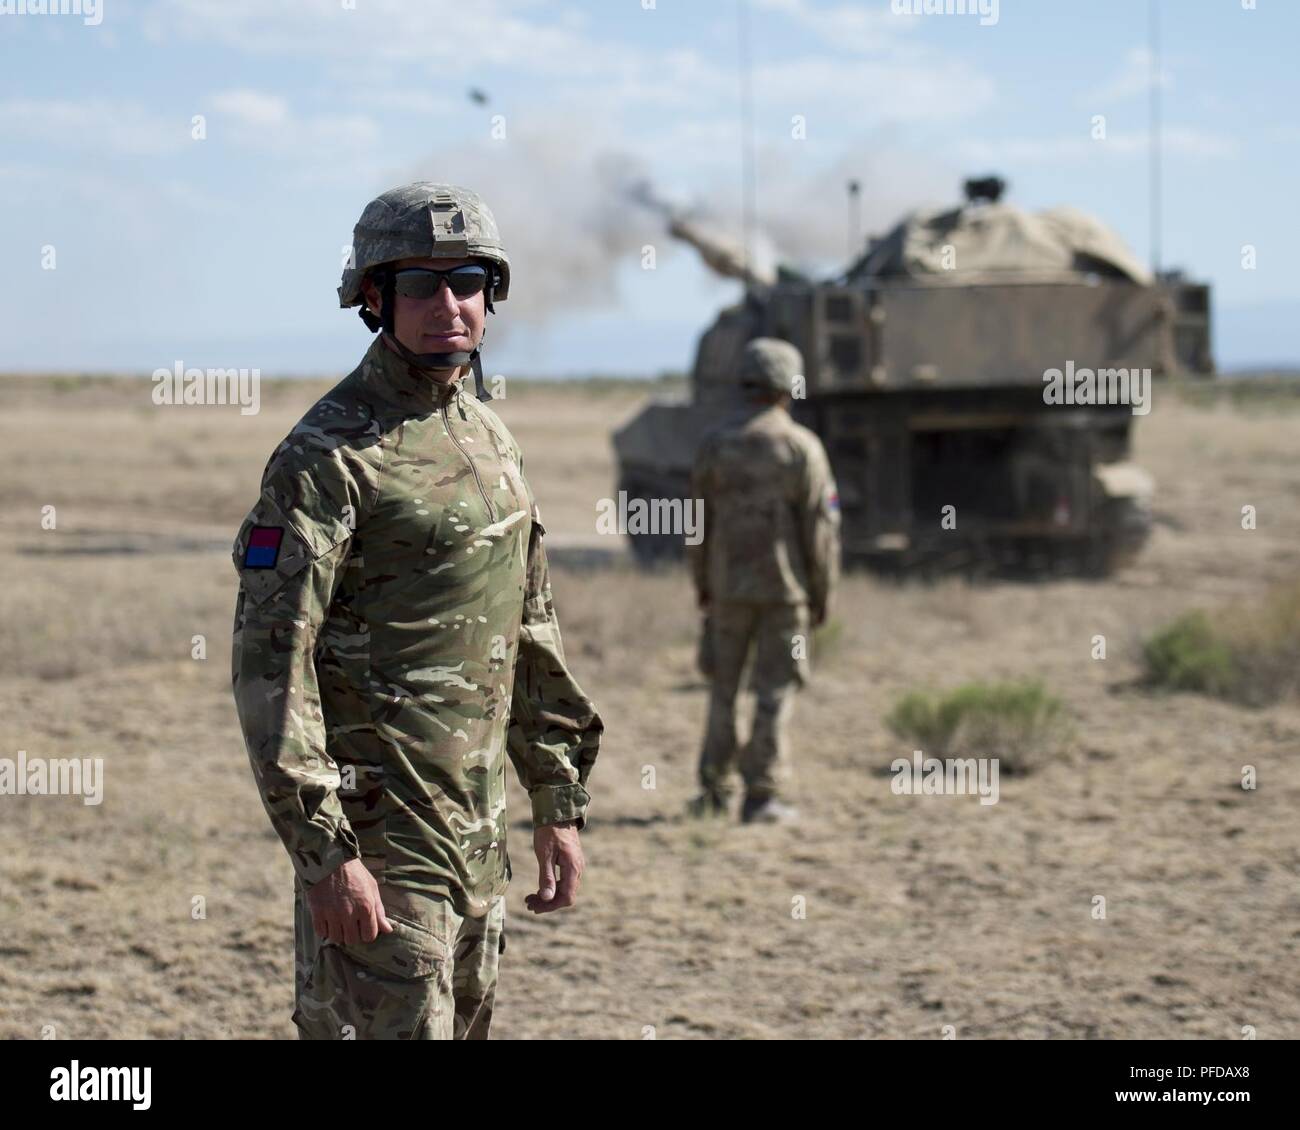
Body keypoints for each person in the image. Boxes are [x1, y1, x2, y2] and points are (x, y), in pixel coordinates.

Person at [231, 182, 601, 1039]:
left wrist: (556, 801)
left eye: (468, 281)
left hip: (477, 843)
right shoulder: (327, 458)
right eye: (420, 286)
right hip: (380, 849)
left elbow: (529, 631)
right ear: (373, 298)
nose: (449, 305)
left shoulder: (488, 437)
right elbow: (271, 669)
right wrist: (325, 858)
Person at [687, 337, 840, 825]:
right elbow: (820, 531)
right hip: (785, 593)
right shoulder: (801, 448)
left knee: (723, 690)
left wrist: (703, 583)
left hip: (727, 589)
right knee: (775, 692)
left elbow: (697, 523)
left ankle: (713, 792)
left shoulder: (715, 444)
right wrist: (822, 593)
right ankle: (762, 795)